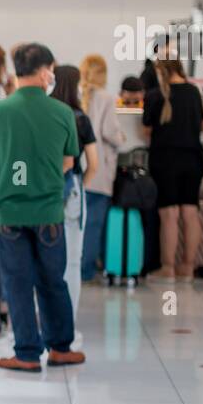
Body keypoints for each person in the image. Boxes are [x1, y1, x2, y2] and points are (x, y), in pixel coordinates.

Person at [0, 43, 84, 372]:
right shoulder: (63, 113)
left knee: (17, 283)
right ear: (43, 72)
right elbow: (69, 162)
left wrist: (16, 174)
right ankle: (60, 347)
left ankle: (26, 353)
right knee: (53, 281)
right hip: (49, 212)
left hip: (8, 212)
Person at [142, 54, 203, 283]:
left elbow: (147, 131)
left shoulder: (154, 95)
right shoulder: (196, 92)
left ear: (161, 72)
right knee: (190, 212)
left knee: (169, 214)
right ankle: (188, 268)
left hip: (165, 159)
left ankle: (167, 268)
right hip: (193, 158)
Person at [52, 65, 99, 322]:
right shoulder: (80, 118)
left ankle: (44, 316)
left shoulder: (45, 114)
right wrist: (81, 185)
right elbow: (94, 162)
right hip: (73, 189)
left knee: (45, 256)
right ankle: (67, 319)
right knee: (71, 260)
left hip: (43, 190)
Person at [79, 55, 126, 282]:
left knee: (78, 222)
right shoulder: (106, 98)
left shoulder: (78, 96)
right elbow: (109, 132)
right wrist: (122, 138)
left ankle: (76, 267)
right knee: (94, 224)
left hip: (79, 166)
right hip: (99, 170)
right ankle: (87, 270)